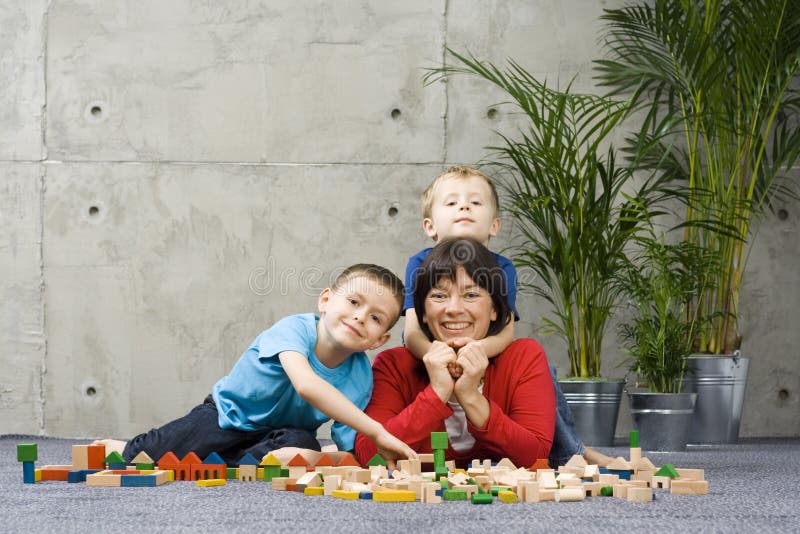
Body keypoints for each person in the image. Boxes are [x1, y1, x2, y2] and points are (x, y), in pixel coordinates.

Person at [96, 264, 417, 466]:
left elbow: (351, 445)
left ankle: (231, 463)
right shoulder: (295, 330)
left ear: (379, 340)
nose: (360, 316)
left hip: (278, 434)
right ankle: (127, 447)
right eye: (354, 302)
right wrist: (377, 431)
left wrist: (359, 456)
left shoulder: (360, 376)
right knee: (150, 455)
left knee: (302, 444)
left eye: (375, 318)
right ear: (325, 300)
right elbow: (306, 386)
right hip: (227, 416)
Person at [402, 166, 610, 467]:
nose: (464, 207)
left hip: (484, 349)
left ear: (494, 225)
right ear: (430, 226)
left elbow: (505, 332)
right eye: (452, 202)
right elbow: (411, 333)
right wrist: (442, 355)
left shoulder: (502, 268)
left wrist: (473, 352)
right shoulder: (419, 263)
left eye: (475, 202)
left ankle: (573, 450)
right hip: (432, 348)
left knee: (541, 369)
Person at [354, 238, 554, 467]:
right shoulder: (394, 365)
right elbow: (369, 455)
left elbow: (536, 457)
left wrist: (471, 397)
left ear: (494, 310)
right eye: (439, 296)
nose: (454, 309)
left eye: (471, 295)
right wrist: (437, 393)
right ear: (423, 313)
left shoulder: (524, 357)